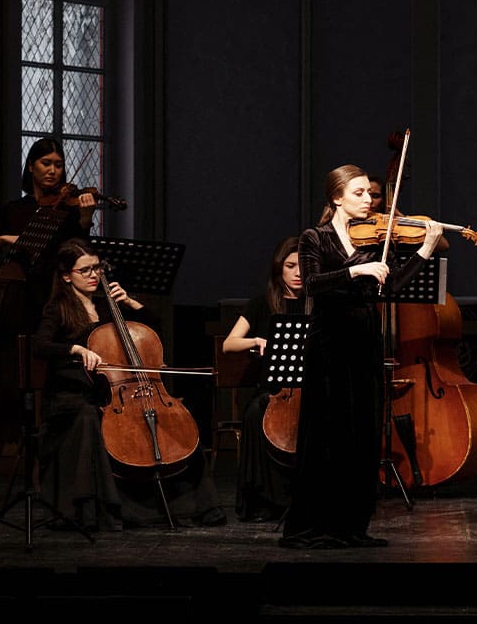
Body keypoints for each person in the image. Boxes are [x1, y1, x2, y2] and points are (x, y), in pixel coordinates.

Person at [279, 164, 442, 549]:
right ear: (336, 197)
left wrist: (425, 249)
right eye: (359, 194)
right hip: (329, 342)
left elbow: (392, 285)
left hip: (364, 339)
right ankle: (313, 527)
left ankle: (351, 526)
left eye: (369, 194)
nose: (369, 200)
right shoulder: (313, 238)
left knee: (362, 433)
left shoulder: (373, 242)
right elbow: (313, 286)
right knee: (327, 431)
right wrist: (358, 271)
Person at [33, 238, 226, 529]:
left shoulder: (110, 306)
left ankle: (201, 505)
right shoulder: (59, 308)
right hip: (76, 393)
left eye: (96, 268)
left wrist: (131, 303)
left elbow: (153, 330)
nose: (93, 275)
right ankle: (101, 508)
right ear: (65, 275)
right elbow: (41, 345)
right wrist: (75, 349)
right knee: (87, 416)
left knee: (174, 422)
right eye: (84, 270)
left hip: (114, 392)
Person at [0, 138, 96, 506]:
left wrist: (85, 220)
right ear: (31, 168)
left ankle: (38, 477)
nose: (53, 169)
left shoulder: (70, 213)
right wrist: (3, 240)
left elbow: (78, 255)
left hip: (53, 307)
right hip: (18, 306)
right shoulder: (13, 210)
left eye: (58, 163)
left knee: (47, 390)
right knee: (5, 386)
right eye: (45, 163)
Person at [222, 236, 305, 522]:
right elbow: (229, 344)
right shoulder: (262, 303)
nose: (298, 273)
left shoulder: (316, 304)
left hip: (309, 388)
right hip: (272, 390)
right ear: (278, 268)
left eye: (304, 266)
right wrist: (256, 340)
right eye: (291, 265)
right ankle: (264, 501)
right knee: (257, 412)